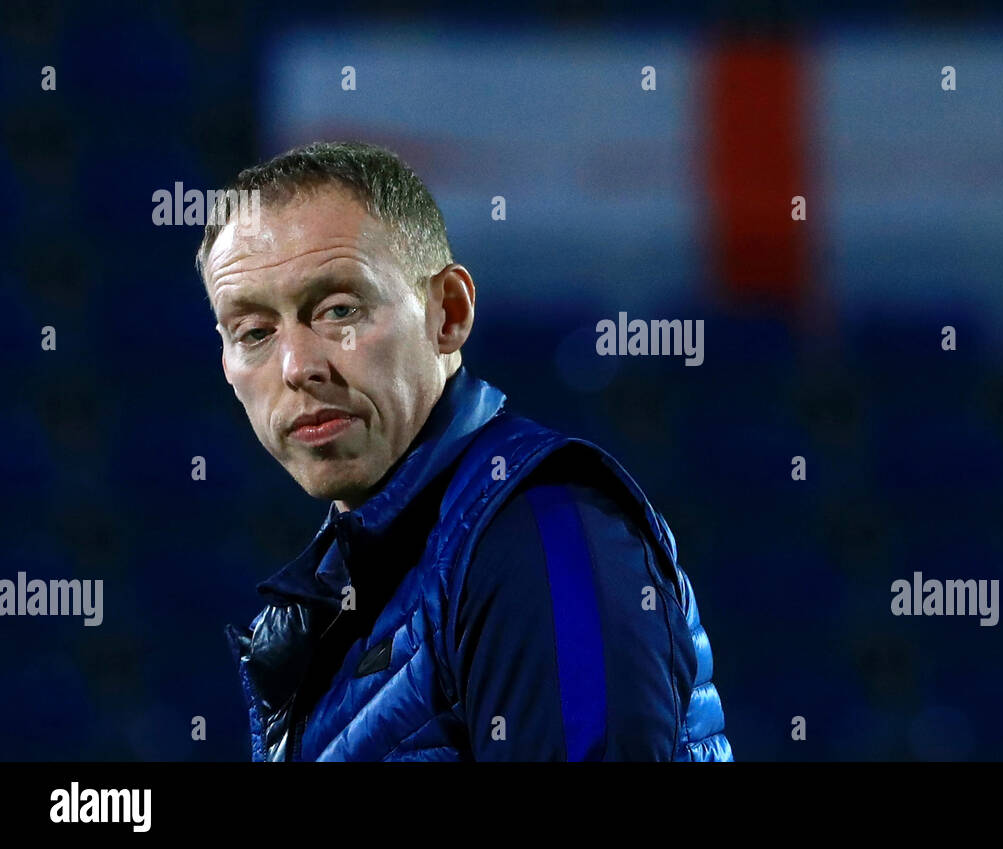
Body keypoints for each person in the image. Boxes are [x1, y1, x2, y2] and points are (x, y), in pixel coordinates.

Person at [197, 140, 732, 761]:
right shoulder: (350, 584)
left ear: (448, 313)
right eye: (255, 333)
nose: (296, 366)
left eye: (339, 309)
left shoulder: (542, 529)